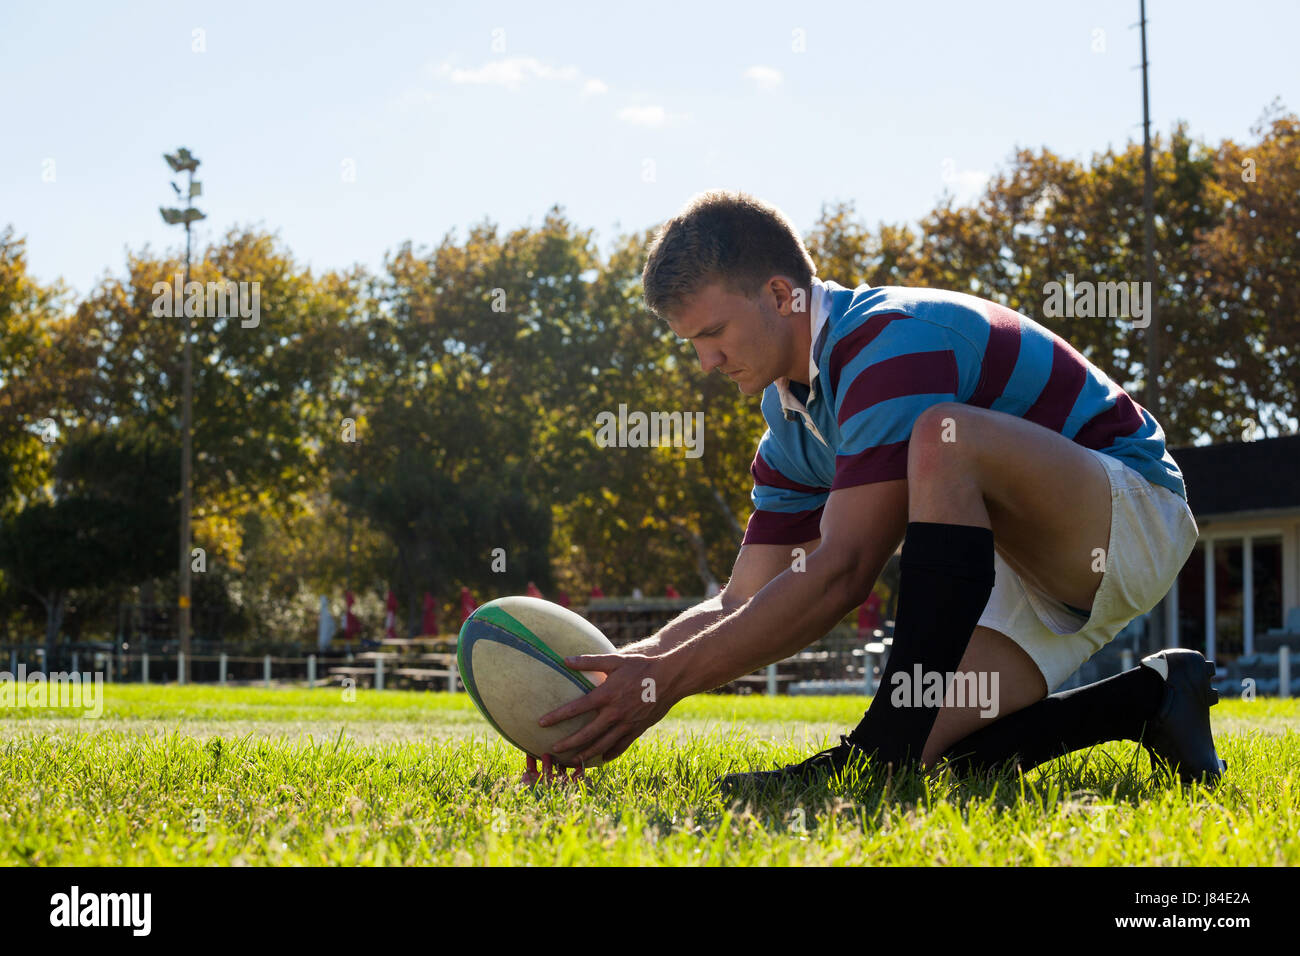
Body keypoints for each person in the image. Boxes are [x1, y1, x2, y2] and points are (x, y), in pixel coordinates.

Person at [533, 189, 1224, 791]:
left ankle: (882, 747)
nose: (705, 361)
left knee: (942, 437)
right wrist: (620, 676)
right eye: (691, 342)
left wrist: (662, 688)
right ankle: (1153, 698)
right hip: (1026, 564)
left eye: (713, 333)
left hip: (1129, 514)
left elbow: (844, 572)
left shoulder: (887, 342)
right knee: (941, 756)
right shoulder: (790, 420)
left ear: (780, 294)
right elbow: (744, 601)